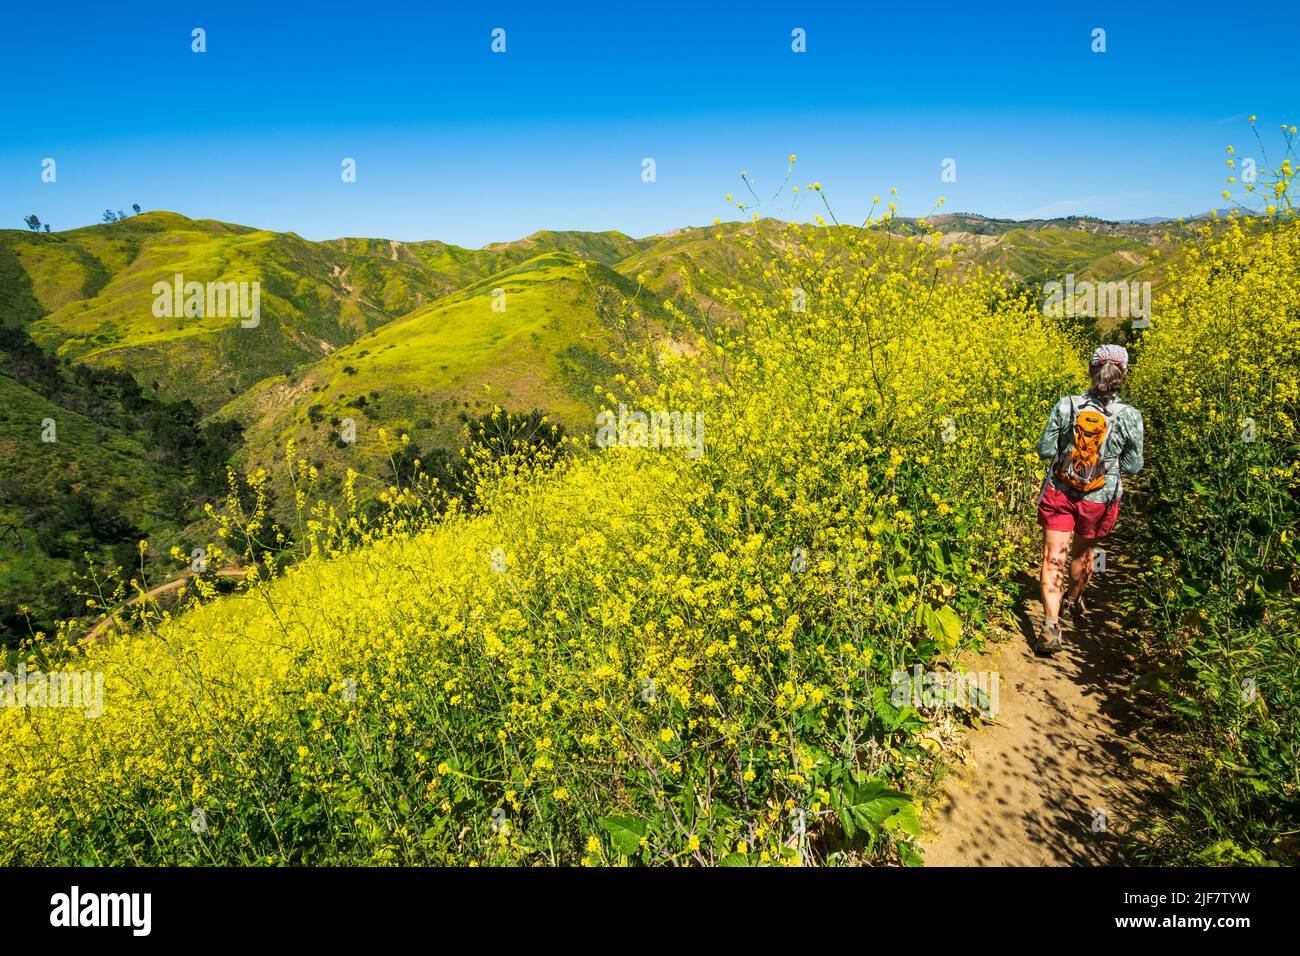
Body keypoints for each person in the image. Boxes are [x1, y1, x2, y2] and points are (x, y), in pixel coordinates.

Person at [1035, 344, 1144, 654]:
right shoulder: (1130, 416)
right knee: (1086, 553)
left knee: (1054, 555)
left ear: (1090, 371)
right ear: (1123, 375)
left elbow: (1045, 449)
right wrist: (1107, 467)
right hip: (1100, 498)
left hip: (1060, 489)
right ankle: (1072, 602)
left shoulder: (1066, 405)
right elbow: (1134, 466)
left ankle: (1051, 627)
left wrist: (1068, 456)